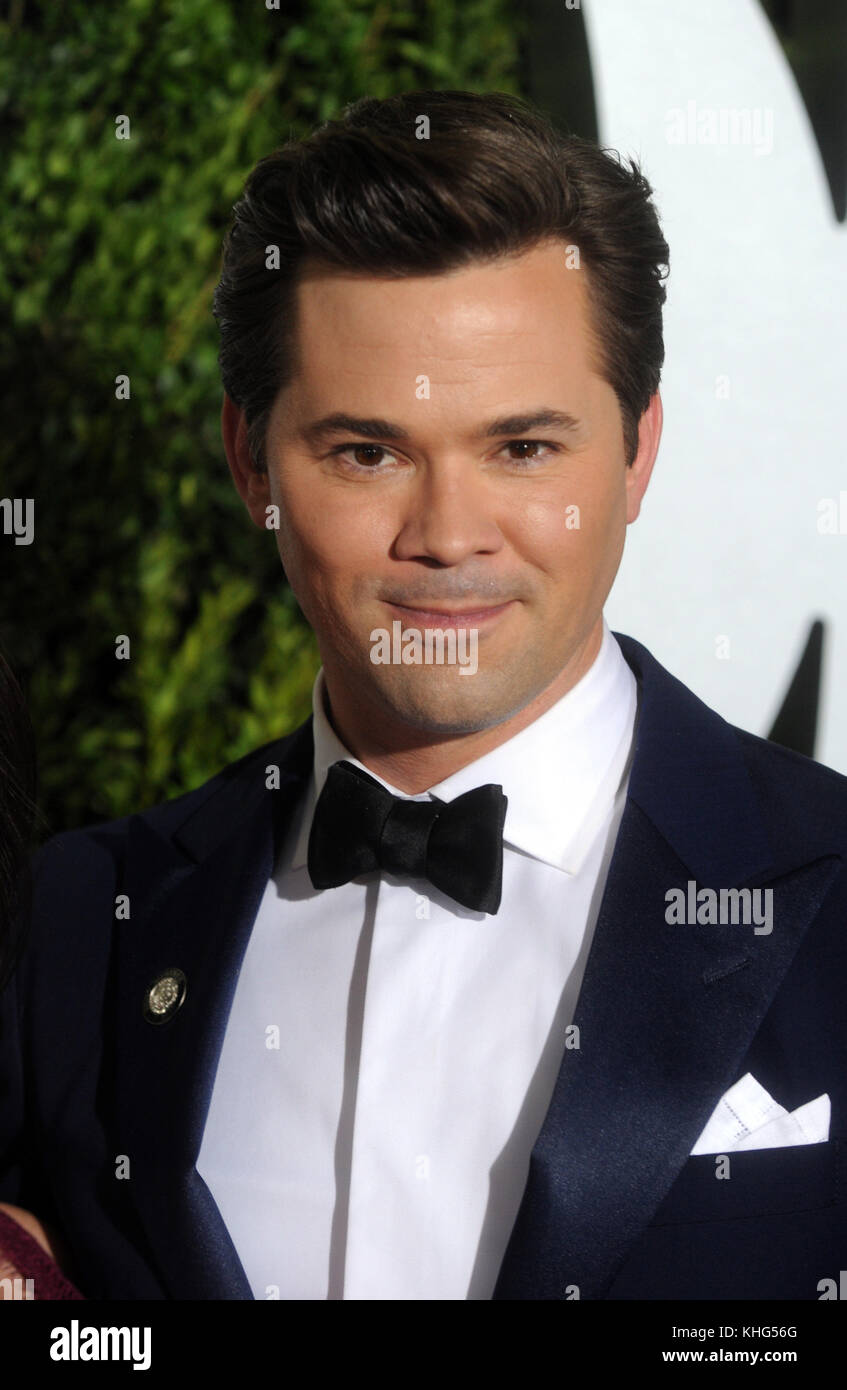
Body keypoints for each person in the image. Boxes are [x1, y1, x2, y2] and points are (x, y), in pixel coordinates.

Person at [1, 89, 845, 1301]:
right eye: (366, 452)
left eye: (522, 448)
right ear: (253, 465)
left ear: (637, 452)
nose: (448, 536)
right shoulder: (81, 922)